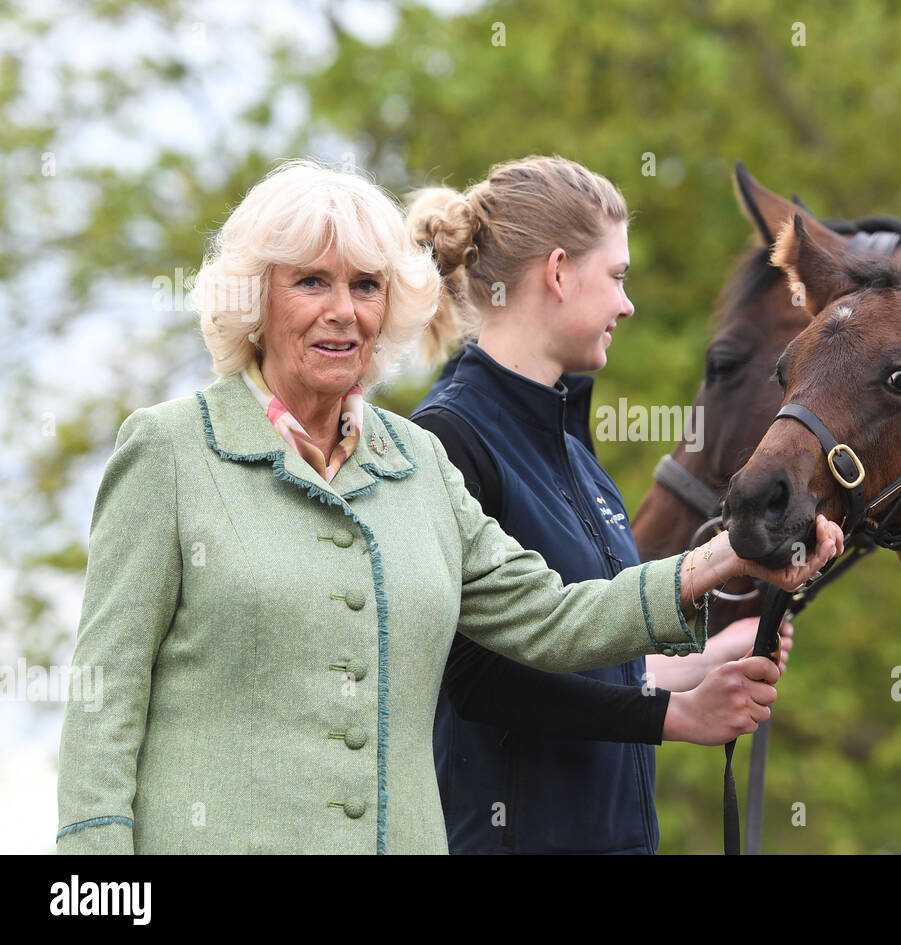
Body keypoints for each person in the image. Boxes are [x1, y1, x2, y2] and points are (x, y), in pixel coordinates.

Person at [54, 160, 842, 855]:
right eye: (310, 282)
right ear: (254, 299)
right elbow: (103, 703)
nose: (344, 310)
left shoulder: (418, 464)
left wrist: (728, 553)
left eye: (366, 285)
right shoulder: (169, 452)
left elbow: (552, 617)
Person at [406, 156, 794, 854]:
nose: (627, 303)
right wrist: (675, 716)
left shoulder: (573, 450)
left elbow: (575, 644)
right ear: (558, 272)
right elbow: (476, 678)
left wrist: (703, 659)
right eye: (617, 276)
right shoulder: (448, 438)